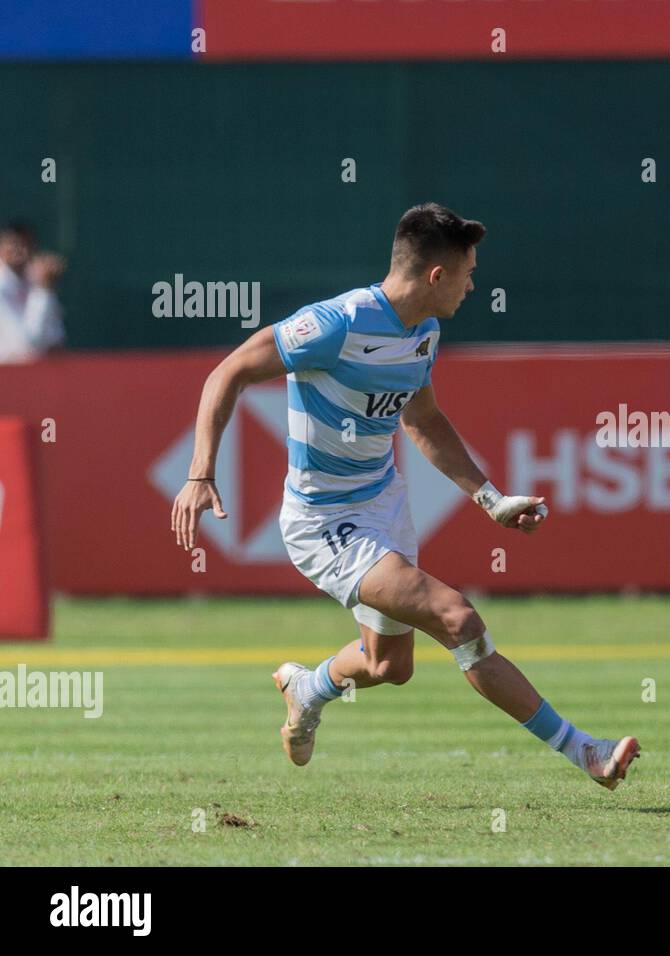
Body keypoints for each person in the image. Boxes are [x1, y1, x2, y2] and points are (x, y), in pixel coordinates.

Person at [170, 202, 639, 789]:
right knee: (458, 618)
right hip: (324, 522)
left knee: (388, 666)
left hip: (384, 506)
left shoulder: (424, 331)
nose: (474, 286)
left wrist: (490, 500)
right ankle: (585, 751)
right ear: (437, 276)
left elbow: (423, 421)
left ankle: (305, 688)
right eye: (468, 274)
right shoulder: (336, 324)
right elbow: (229, 370)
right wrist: (199, 471)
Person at [0, 221, 66, 363]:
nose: (19, 251)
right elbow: (27, 347)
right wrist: (43, 289)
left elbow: (56, 339)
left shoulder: (35, 280)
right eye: (13, 244)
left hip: (40, 377)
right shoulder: (40, 286)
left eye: (25, 244)